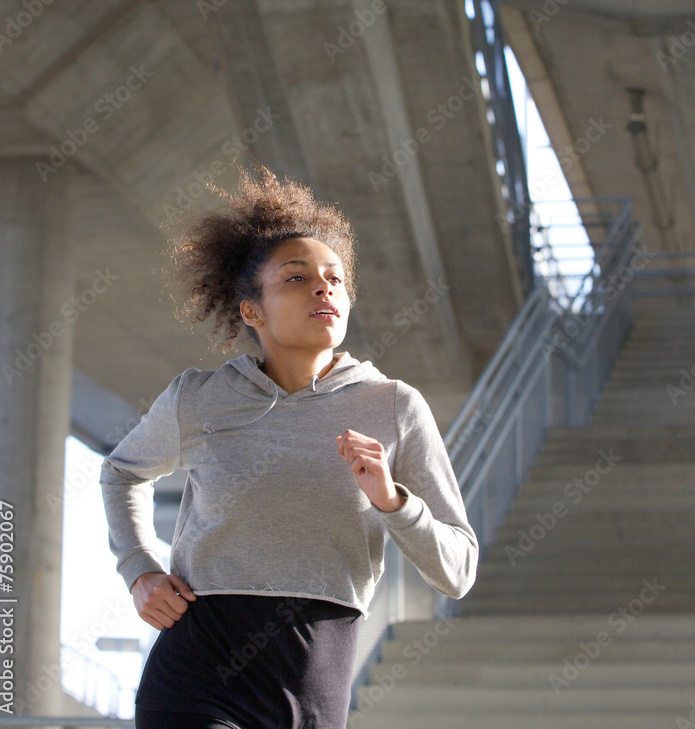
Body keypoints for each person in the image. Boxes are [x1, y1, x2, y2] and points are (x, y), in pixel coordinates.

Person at [100, 163, 478, 729]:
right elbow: (122, 472)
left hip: (316, 684)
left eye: (336, 278)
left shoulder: (395, 407)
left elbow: (459, 570)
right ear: (252, 311)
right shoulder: (199, 398)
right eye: (297, 278)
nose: (324, 287)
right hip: (197, 674)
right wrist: (140, 569)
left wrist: (392, 502)